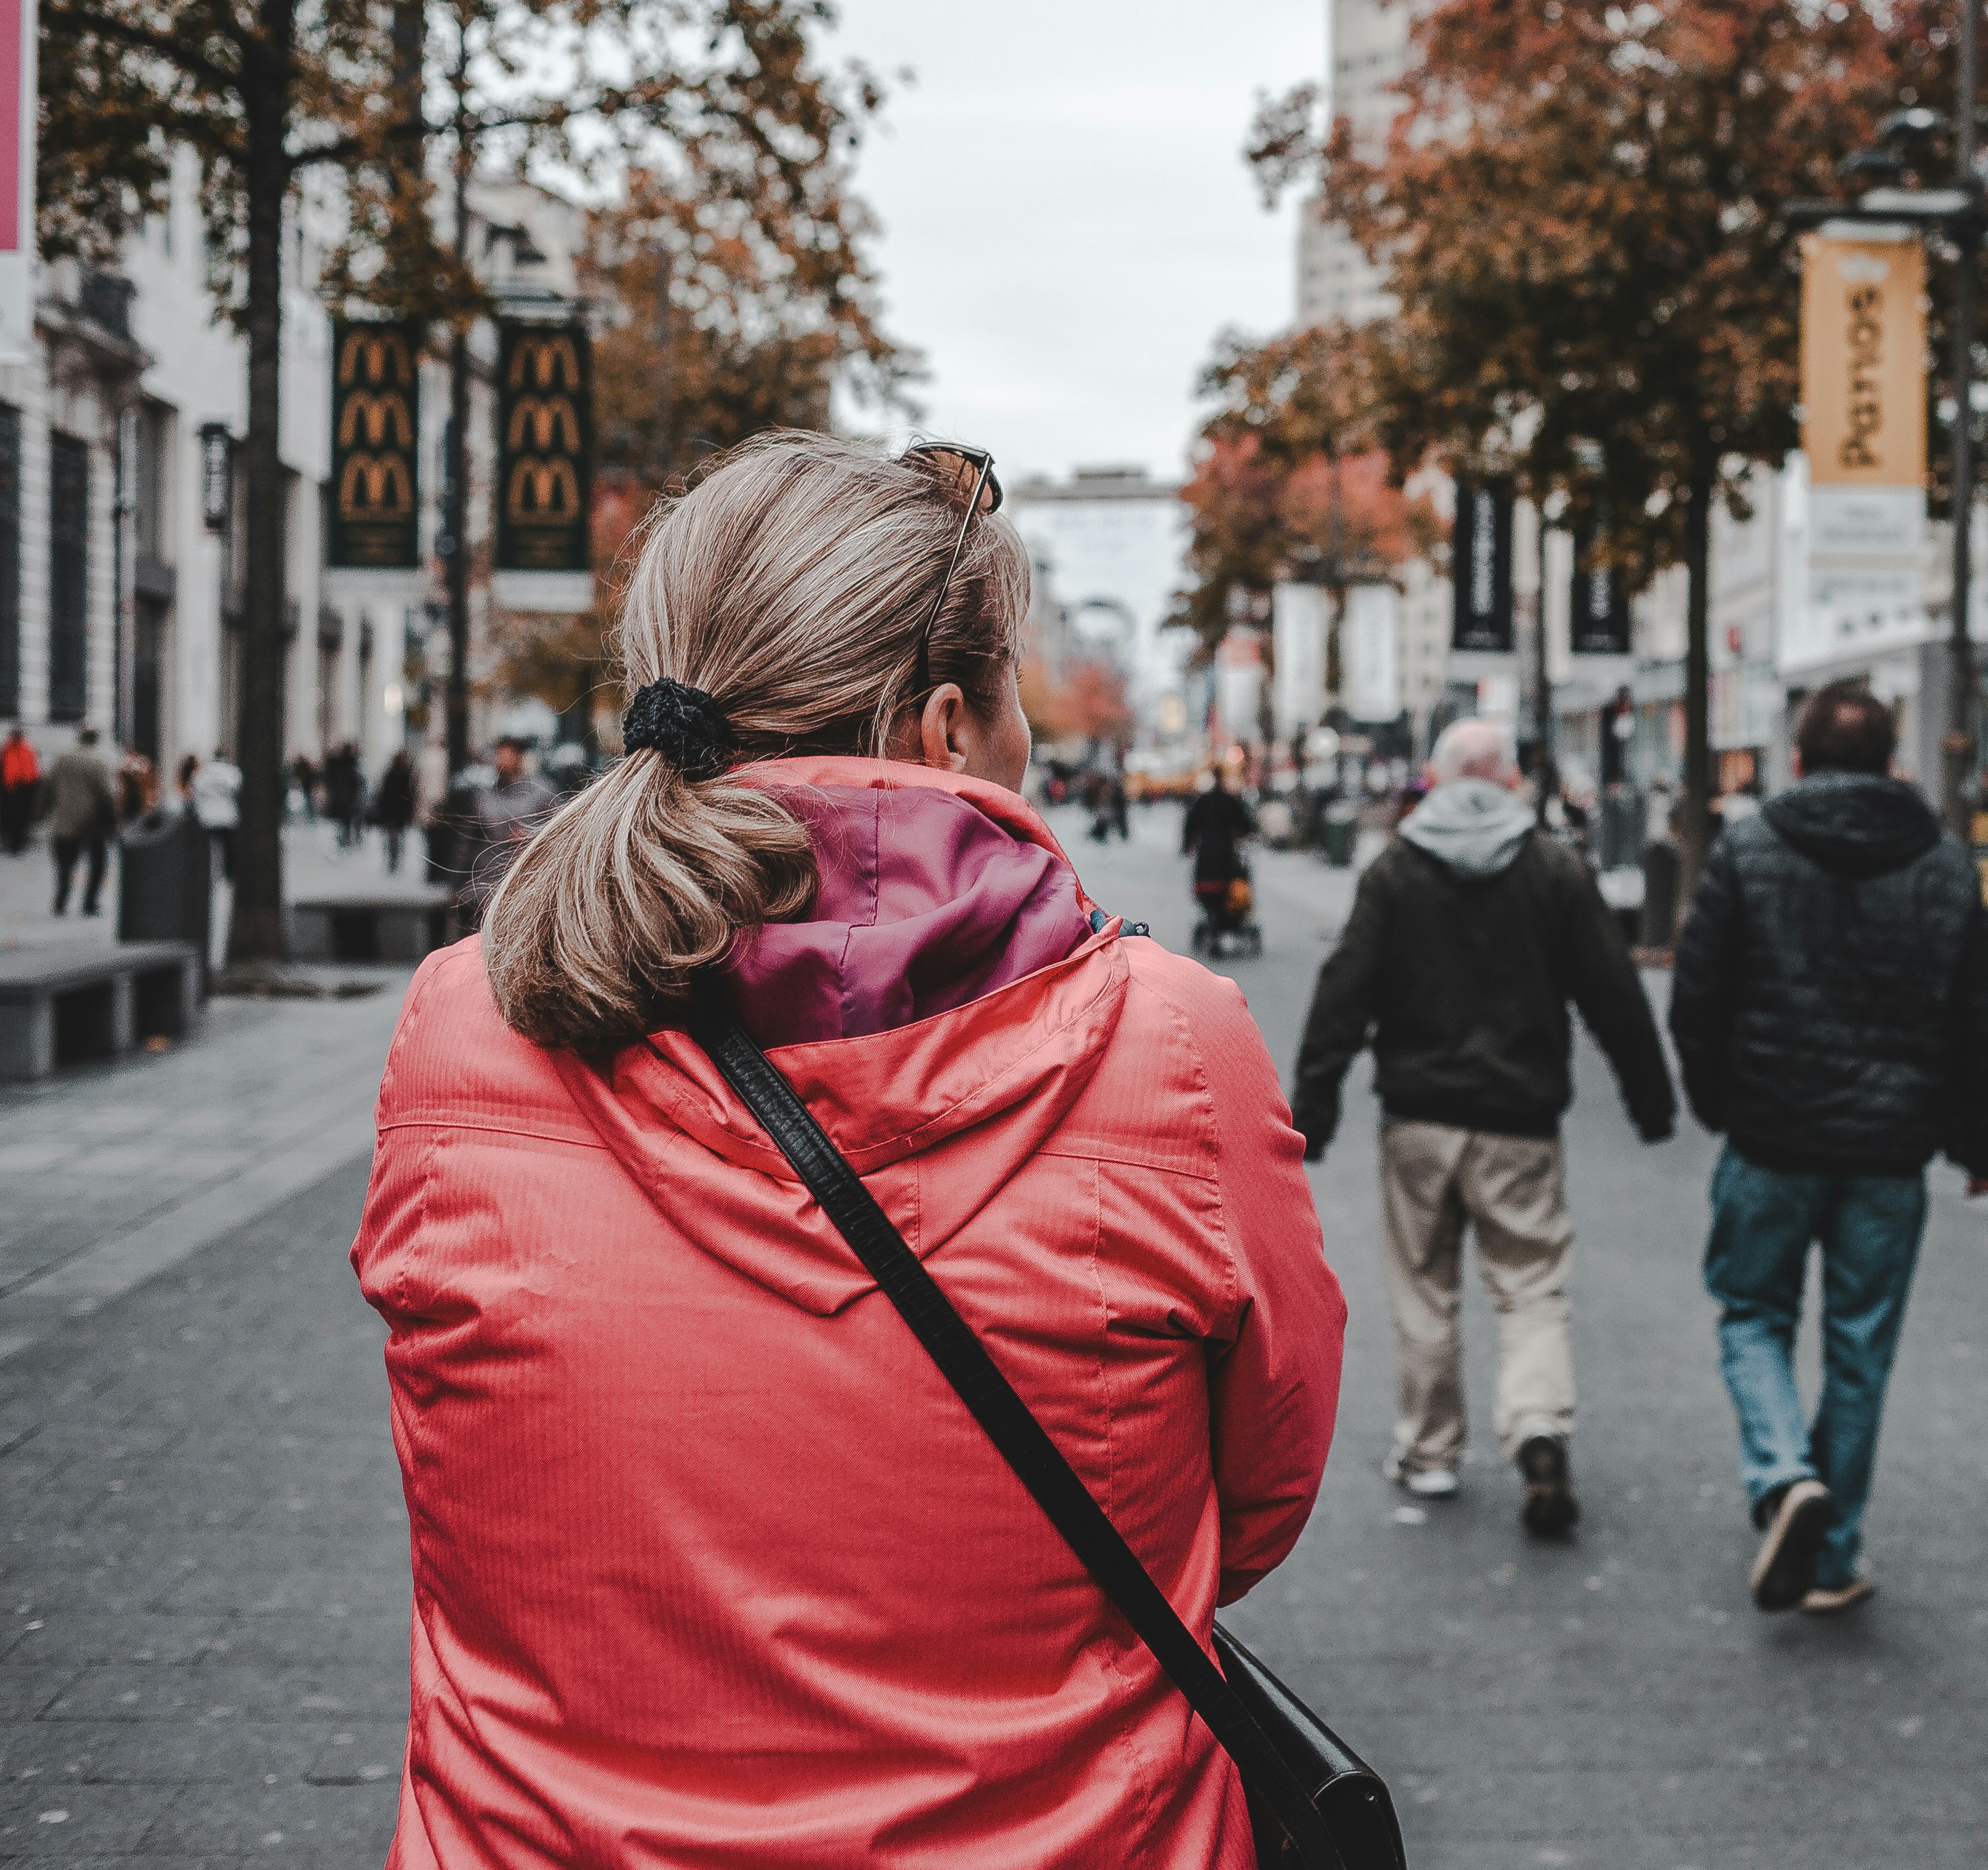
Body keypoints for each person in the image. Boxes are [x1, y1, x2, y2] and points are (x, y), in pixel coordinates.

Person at [351, 432, 1343, 1863]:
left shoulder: (474, 1022)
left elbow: (475, 1491)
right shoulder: (1170, 1051)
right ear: (948, 728)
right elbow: (1255, 1498)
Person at [1668, 680, 1988, 1616]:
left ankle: (1784, 1475)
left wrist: (1718, 1101)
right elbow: (1979, 1019)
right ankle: (1834, 1554)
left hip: (1771, 1136)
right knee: (1861, 1347)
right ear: (1894, 760)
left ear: (1803, 759)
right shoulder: (1943, 863)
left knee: (1751, 1313)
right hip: (1890, 1152)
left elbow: (1696, 996)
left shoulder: (1751, 846)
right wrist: (1987, 1141)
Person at [1293, 716, 1673, 1538]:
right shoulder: (1553, 868)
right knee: (1530, 1284)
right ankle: (1538, 1425)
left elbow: (1344, 994)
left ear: (1435, 781)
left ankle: (1430, 1454)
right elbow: (1612, 991)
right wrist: (1652, 1099)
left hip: (1419, 1119)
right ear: (1506, 780)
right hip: (1520, 1120)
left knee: (1425, 1290)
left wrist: (1313, 1112)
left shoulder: (1396, 869)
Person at [457, 738, 558, 917]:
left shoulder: (541, 792)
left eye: (507, 756)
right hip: (488, 883)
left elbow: (561, 827)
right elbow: (468, 842)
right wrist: (458, 883)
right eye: (498, 756)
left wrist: (532, 834)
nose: (501, 761)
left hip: (528, 881)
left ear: (519, 758)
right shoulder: (484, 797)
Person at [43, 728, 119, 917]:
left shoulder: (62, 758)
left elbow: (48, 786)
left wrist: (43, 812)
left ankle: (61, 901)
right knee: (98, 863)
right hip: (91, 823)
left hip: (64, 821)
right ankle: (90, 903)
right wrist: (114, 817)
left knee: (65, 863)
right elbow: (107, 794)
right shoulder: (98, 761)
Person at [190, 747, 242, 880]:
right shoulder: (231, 771)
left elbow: (196, 790)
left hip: (207, 816)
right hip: (227, 815)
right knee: (228, 848)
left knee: (208, 848)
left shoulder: (202, 773)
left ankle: (208, 873)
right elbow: (237, 788)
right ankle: (228, 873)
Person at [371, 747, 418, 875]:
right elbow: (409, 796)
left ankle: (393, 861)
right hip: (397, 811)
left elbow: (384, 795)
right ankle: (394, 861)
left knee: (394, 838)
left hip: (394, 811)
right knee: (396, 838)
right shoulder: (403, 775)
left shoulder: (393, 775)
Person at [1, 725, 41, 854]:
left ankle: (15, 842)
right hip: (15, 789)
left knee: (16, 817)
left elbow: (31, 772)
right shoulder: (17, 749)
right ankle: (15, 842)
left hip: (18, 790)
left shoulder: (15, 749)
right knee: (16, 817)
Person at [323, 741, 366, 851]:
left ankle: (346, 837)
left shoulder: (340, 764)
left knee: (346, 819)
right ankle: (348, 837)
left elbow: (329, 778)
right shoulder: (350, 765)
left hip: (342, 797)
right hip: (348, 797)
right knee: (348, 818)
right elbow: (357, 782)